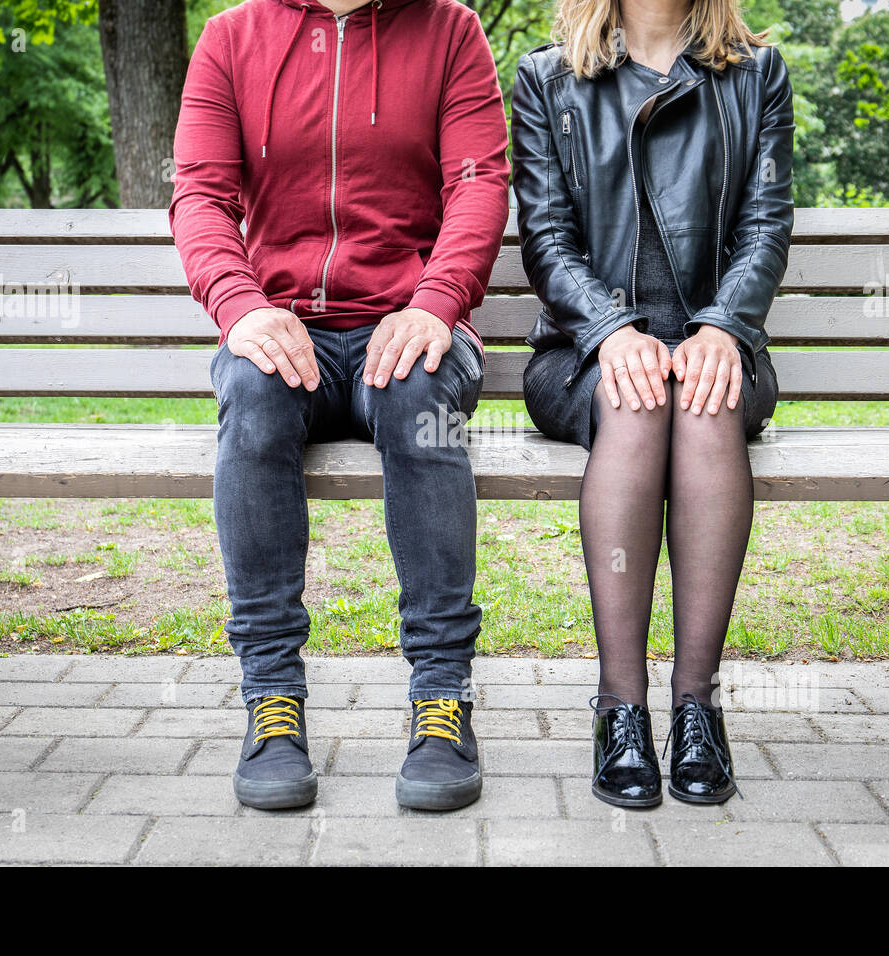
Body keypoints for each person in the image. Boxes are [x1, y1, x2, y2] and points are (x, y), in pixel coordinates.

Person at [169, 0, 509, 811]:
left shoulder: (451, 30)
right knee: (250, 397)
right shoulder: (230, 37)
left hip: (412, 320)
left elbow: (477, 184)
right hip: (285, 327)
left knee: (419, 395)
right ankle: (272, 703)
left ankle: (441, 697)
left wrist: (434, 303)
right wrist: (242, 307)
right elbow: (201, 196)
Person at [510, 0, 793, 807]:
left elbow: (766, 224)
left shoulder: (757, 74)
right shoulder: (547, 77)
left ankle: (696, 706)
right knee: (638, 401)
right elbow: (546, 235)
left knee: (699, 402)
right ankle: (622, 709)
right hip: (583, 358)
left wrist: (722, 329)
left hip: (718, 352)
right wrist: (609, 330)